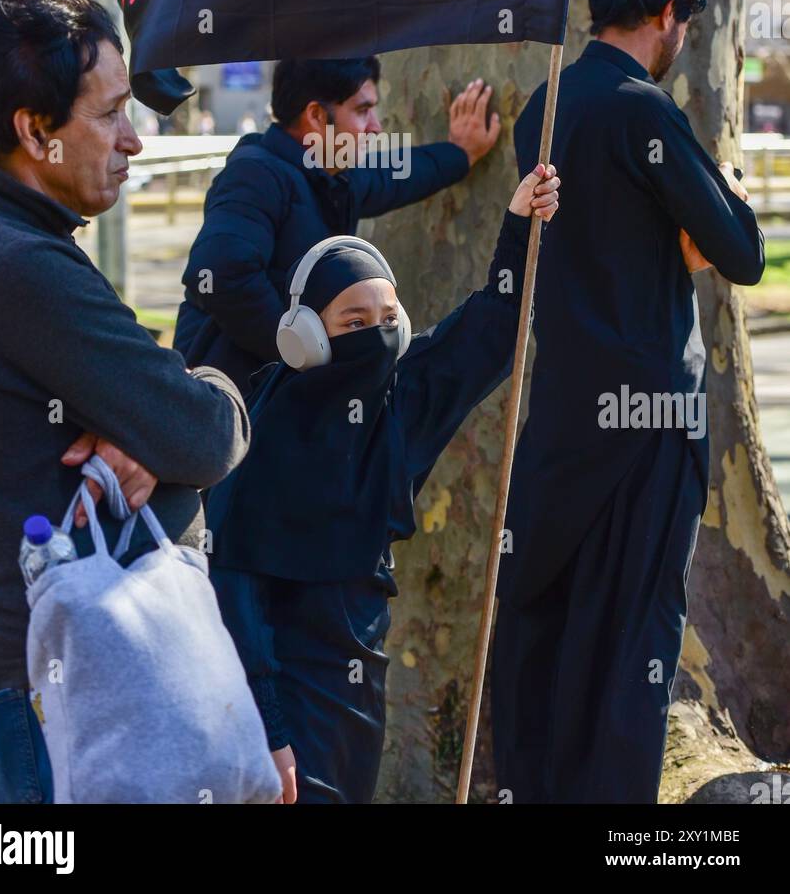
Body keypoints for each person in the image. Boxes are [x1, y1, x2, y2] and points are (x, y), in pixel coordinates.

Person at [0, 0, 251, 806]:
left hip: (57, 680)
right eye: (108, 115)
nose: (135, 141)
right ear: (35, 132)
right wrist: (191, 400)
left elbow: (168, 428)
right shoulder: (17, 267)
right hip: (68, 693)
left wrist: (146, 428)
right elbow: (206, 433)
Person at [490, 0, 765, 805]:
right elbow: (740, 252)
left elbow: (588, 239)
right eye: (682, 21)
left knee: (551, 627)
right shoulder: (643, 109)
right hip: (647, 425)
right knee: (633, 639)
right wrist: (727, 192)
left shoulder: (545, 105)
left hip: (562, 417)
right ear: (665, 13)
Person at [207, 161, 561, 803]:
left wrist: (520, 224)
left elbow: (493, 325)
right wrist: (269, 728)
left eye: (386, 319)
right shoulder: (258, 441)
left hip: (361, 678)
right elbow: (236, 594)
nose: (373, 335)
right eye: (351, 323)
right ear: (306, 338)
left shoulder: (401, 404)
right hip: (280, 688)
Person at [174, 57, 501, 394]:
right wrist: (301, 349)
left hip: (278, 398)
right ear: (316, 116)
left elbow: (390, 177)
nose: (375, 127)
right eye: (362, 111)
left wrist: (459, 153)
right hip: (229, 405)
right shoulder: (254, 175)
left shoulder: (329, 173)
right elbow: (220, 275)